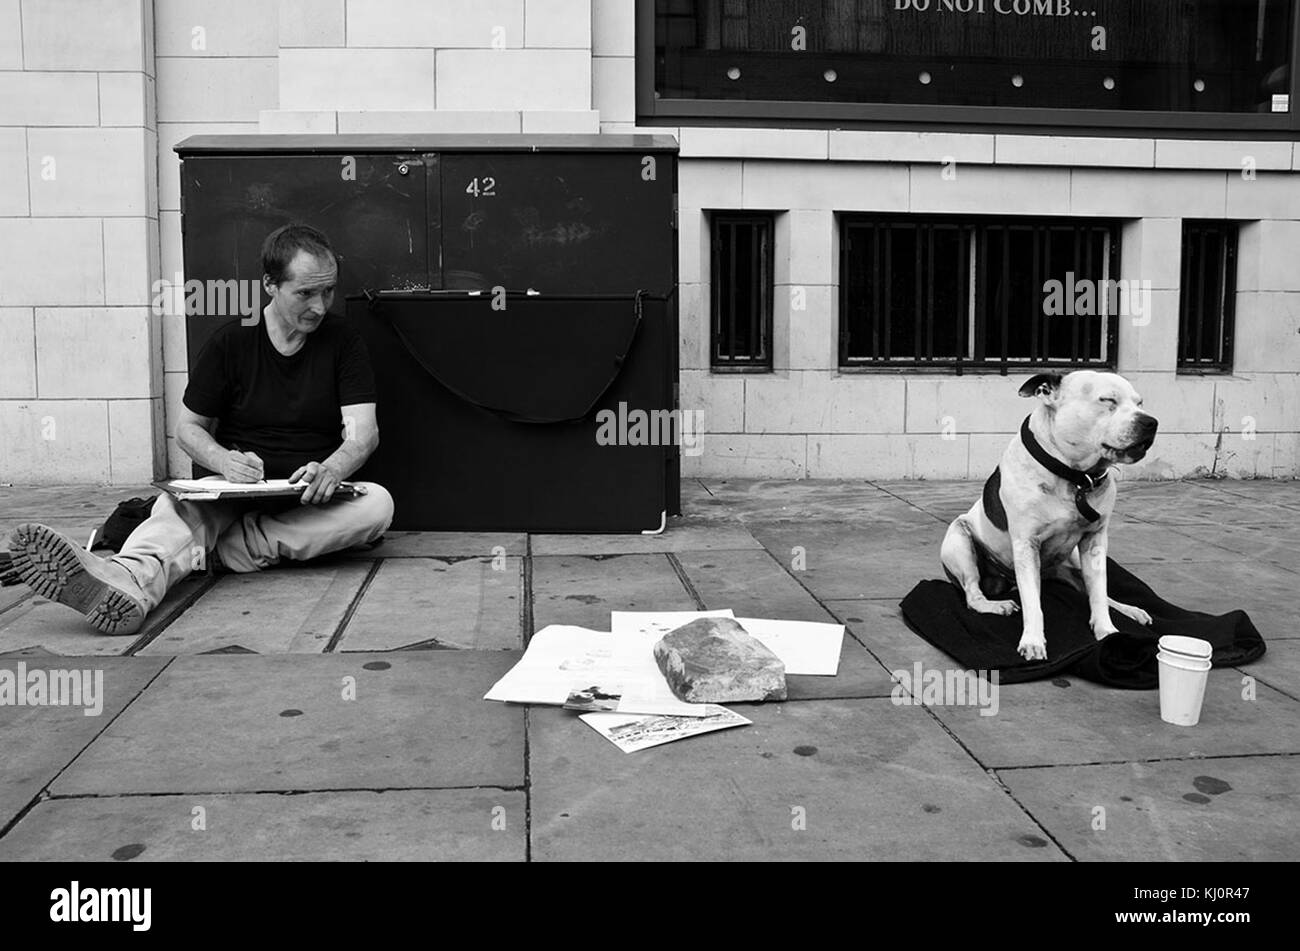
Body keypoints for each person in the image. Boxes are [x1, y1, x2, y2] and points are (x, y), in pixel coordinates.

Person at [8, 224, 394, 636]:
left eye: (328, 291)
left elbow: (362, 434)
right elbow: (188, 430)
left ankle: (208, 553)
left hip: (310, 498)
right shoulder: (231, 343)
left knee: (378, 505)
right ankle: (129, 579)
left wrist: (331, 469)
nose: (320, 306)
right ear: (270, 285)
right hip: (235, 492)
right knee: (181, 506)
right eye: (305, 293)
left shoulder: (343, 341)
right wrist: (224, 461)